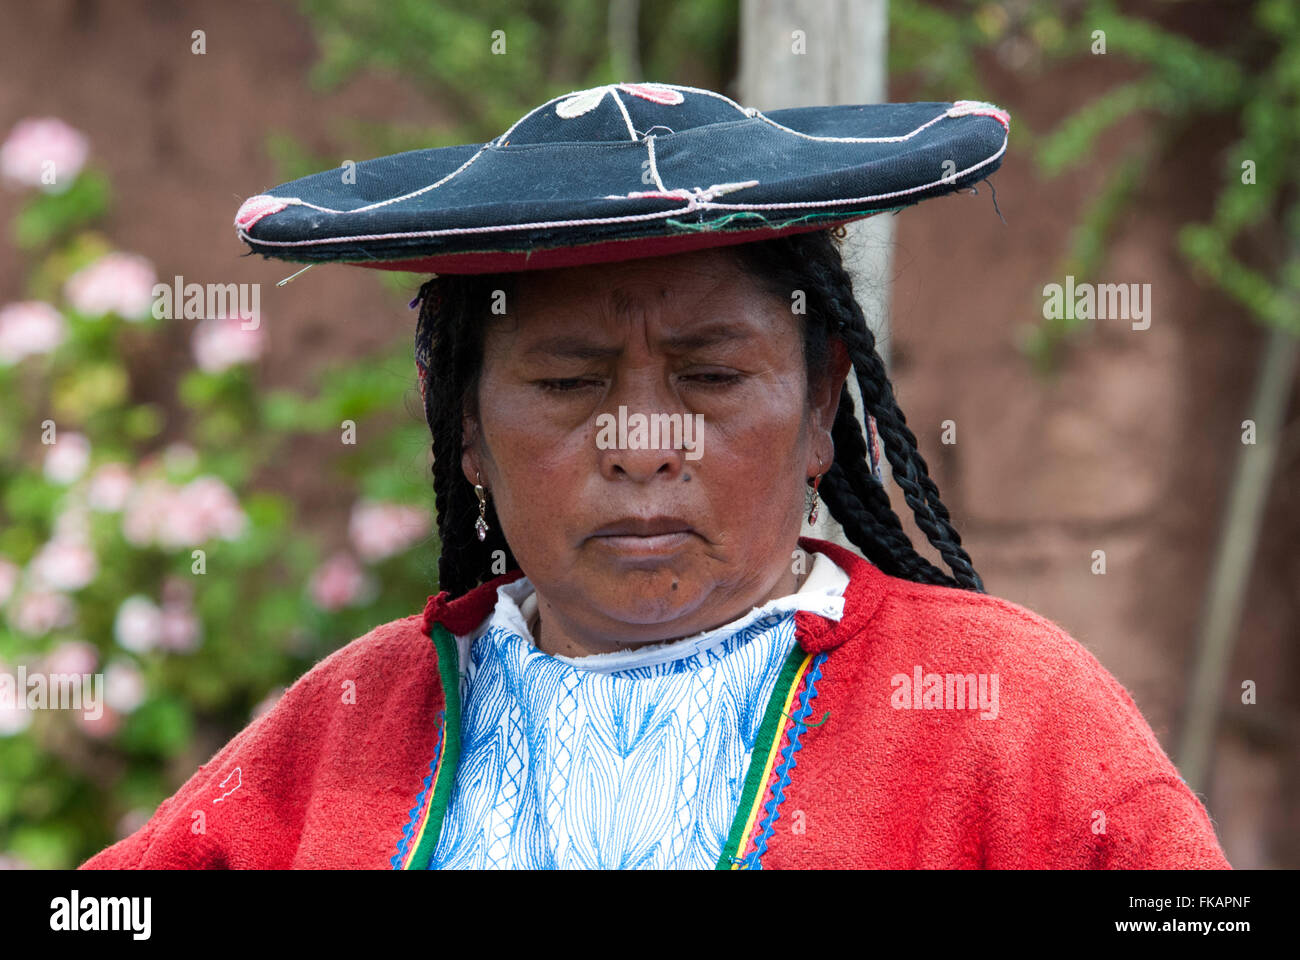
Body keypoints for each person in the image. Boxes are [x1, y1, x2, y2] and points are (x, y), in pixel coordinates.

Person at [81, 83, 1230, 869]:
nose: (642, 440)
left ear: (821, 403)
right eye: (571, 384)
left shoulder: (1007, 713)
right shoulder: (353, 723)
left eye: (711, 376)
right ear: (462, 426)